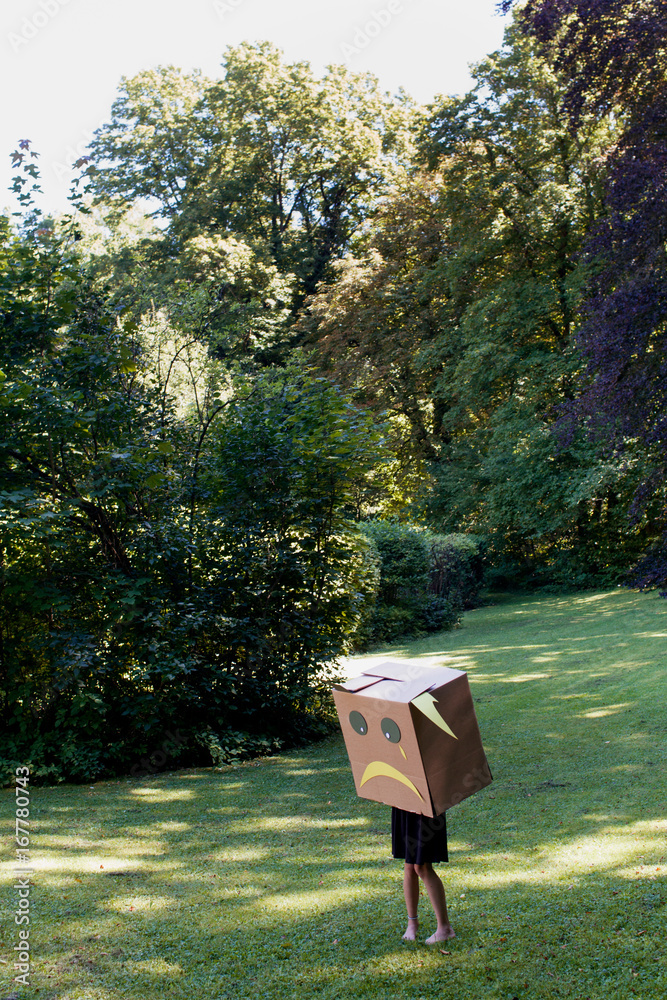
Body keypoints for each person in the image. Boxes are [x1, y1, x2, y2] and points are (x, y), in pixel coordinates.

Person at [391, 806, 455, 943]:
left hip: (425, 803)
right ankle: (412, 924)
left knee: (422, 866)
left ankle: (445, 928)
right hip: (404, 799)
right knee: (409, 865)